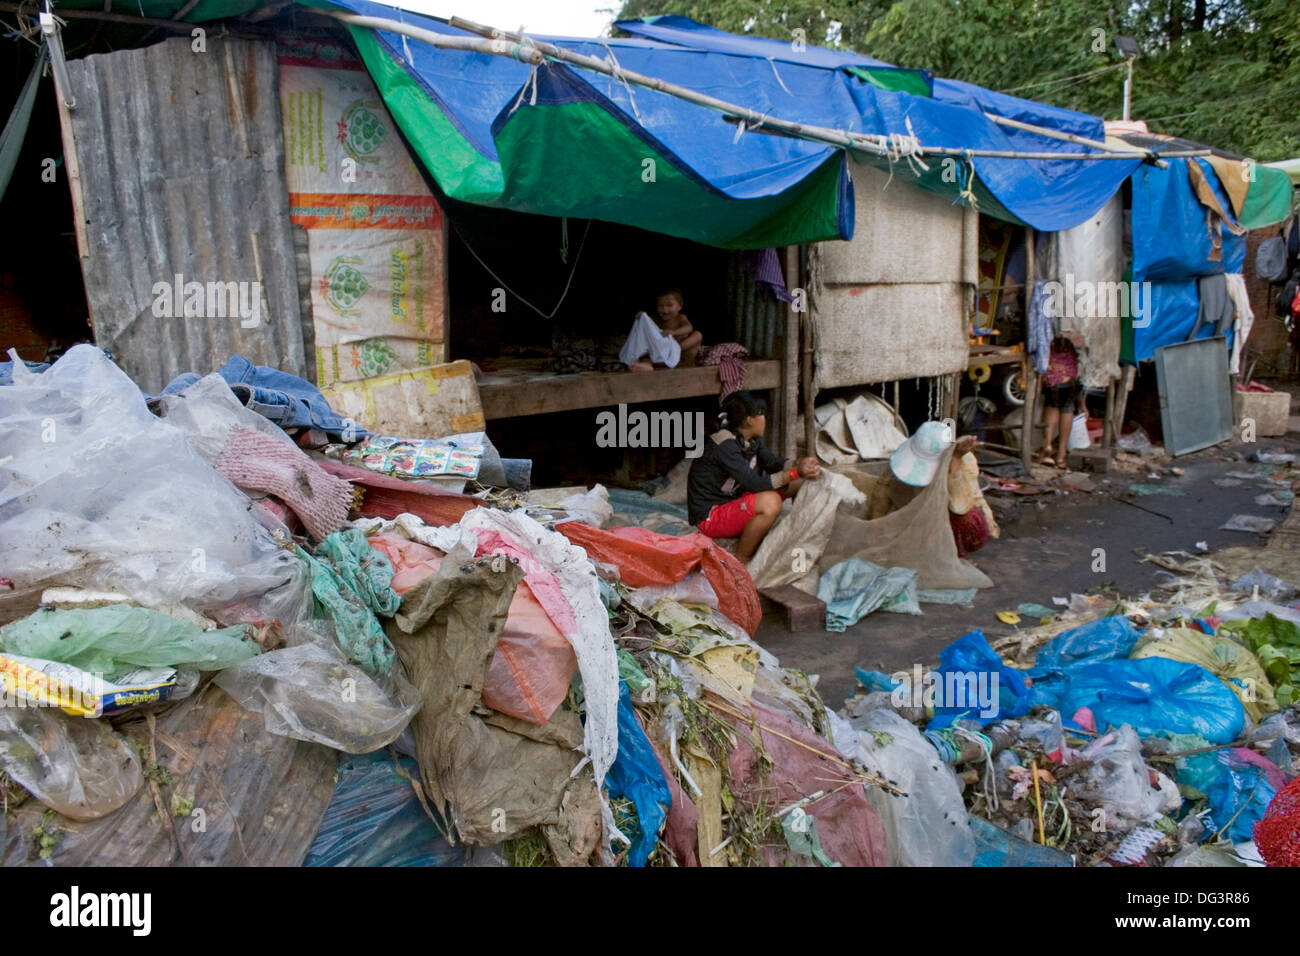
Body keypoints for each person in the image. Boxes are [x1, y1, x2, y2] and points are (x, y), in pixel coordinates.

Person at [687, 390, 820, 561]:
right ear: (750, 420)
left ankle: (797, 535)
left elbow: (772, 462)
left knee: (801, 481)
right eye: (761, 415)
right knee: (771, 501)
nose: (765, 419)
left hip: (733, 500)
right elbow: (755, 484)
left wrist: (800, 465)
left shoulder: (751, 440)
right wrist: (794, 472)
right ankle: (741, 560)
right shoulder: (725, 445)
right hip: (710, 515)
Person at [620, 289, 704, 371]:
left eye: (669, 305)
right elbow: (646, 329)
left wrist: (674, 332)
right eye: (660, 306)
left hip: (681, 356)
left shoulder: (680, 318)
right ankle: (647, 364)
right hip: (662, 357)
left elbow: (689, 328)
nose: (664, 309)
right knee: (645, 351)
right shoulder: (655, 320)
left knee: (697, 334)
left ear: (680, 306)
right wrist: (642, 318)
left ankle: (676, 349)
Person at [1039, 331, 1083, 468]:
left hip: (1052, 372)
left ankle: (1047, 446)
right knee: (1067, 407)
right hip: (1070, 372)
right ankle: (1062, 455)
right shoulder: (1077, 317)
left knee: (1051, 405)